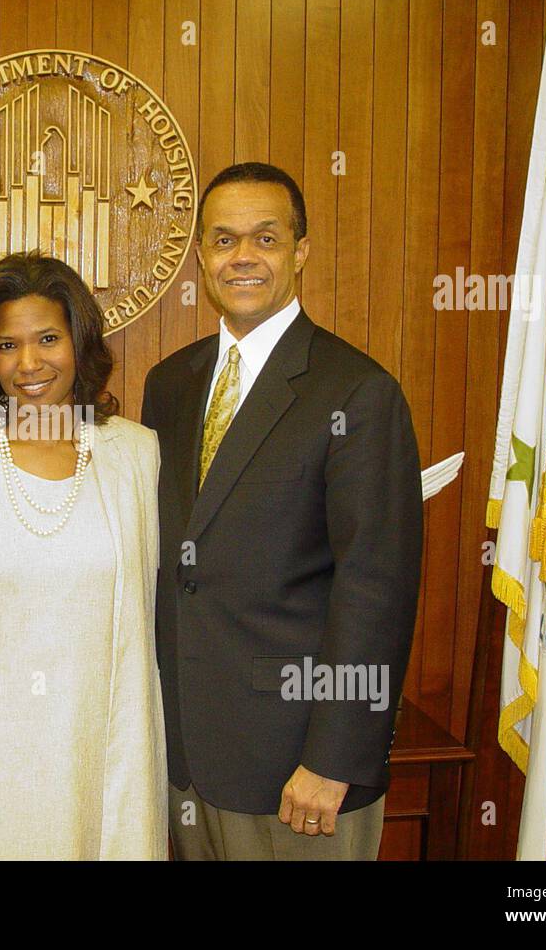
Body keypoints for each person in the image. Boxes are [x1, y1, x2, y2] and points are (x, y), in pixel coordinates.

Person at [140, 163, 423, 860]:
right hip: (185, 759)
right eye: (224, 240)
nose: (242, 257)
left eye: (265, 238)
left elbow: (375, 587)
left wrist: (336, 757)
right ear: (201, 256)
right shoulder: (169, 384)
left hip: (299, 772)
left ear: (299, 251)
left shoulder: (358, 391)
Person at [0, 252, 167, 860]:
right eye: (7, 345)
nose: (29, 363)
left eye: (48, 338)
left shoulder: (136, 456)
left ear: (80, 344)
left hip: (108, 758)